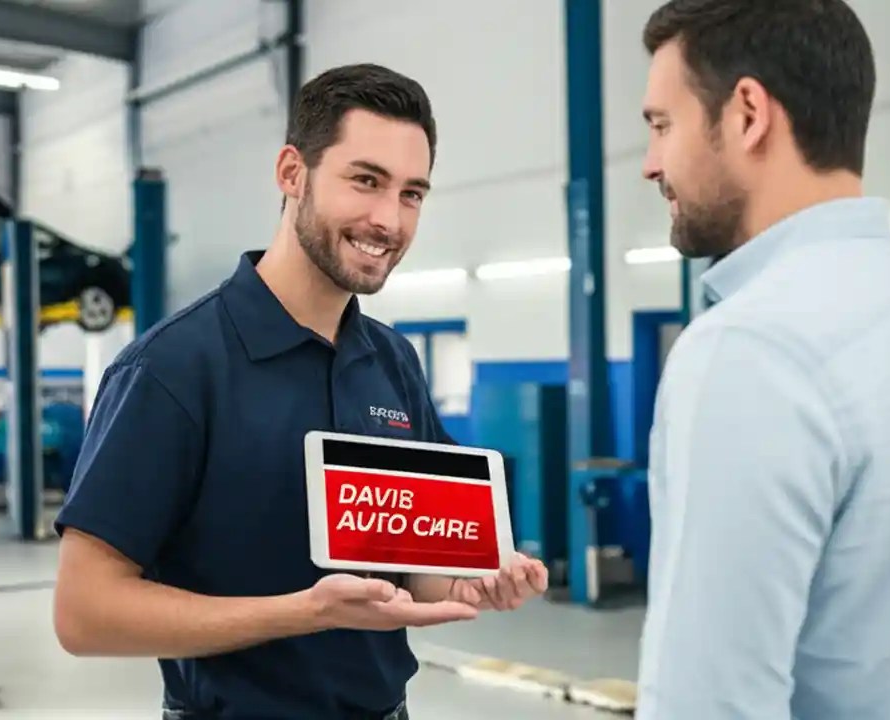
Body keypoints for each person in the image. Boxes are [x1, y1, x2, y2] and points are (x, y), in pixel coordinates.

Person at [51, 63, 548, 720]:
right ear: (292, 173)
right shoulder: (172, 369)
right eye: (366, 181)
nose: (388, 220)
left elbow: (419, 559)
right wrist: (304, 613)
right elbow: (85, 613)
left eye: (412, 194)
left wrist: (476, 574)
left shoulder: (391, 361)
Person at [635, 2, 890, 719]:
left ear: (748, 113)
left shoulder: (748, 349)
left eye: (662, 125)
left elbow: (710, 701)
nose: (652, 163)